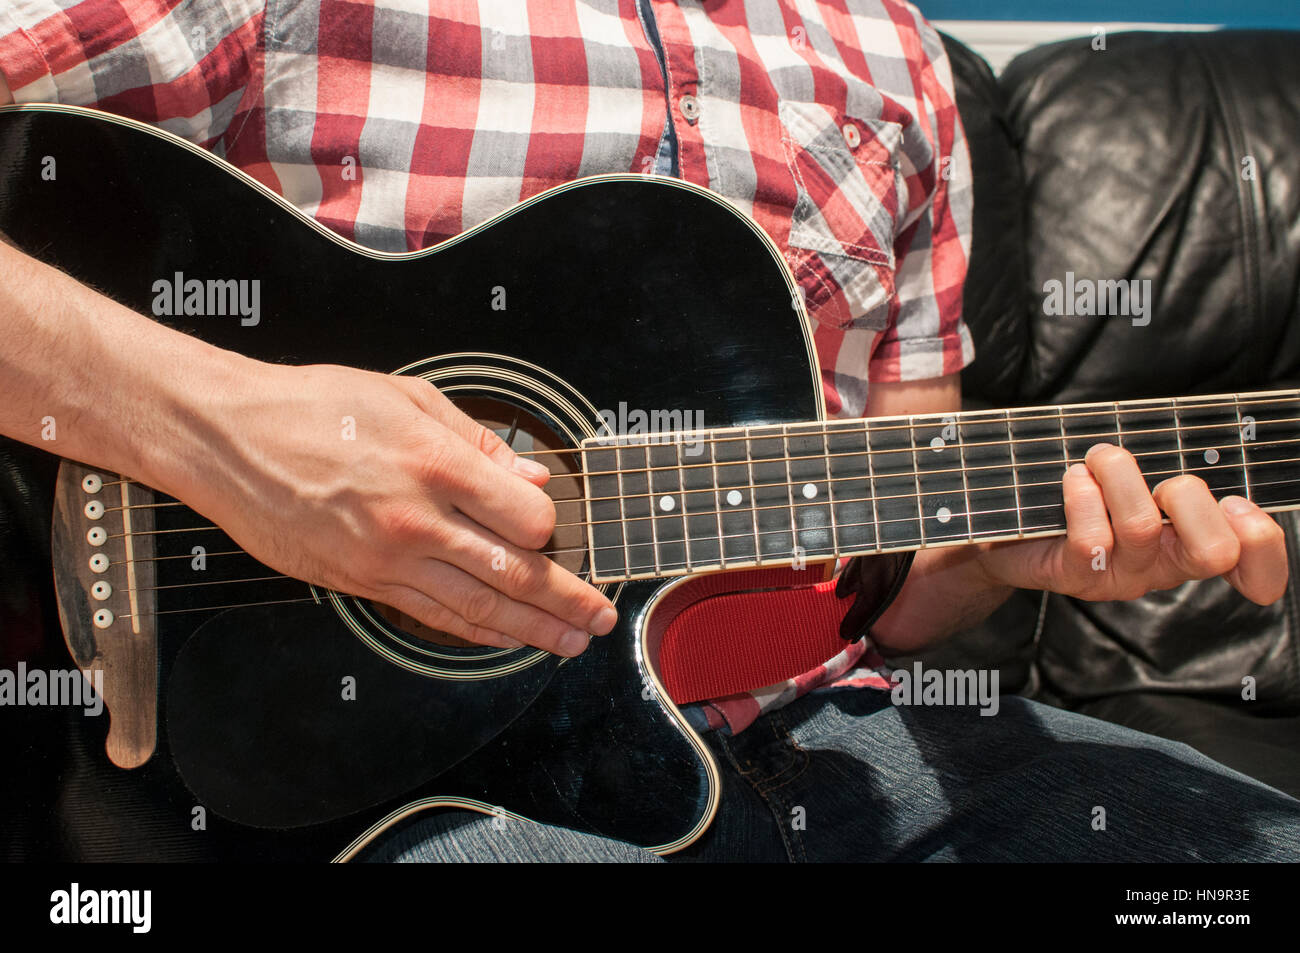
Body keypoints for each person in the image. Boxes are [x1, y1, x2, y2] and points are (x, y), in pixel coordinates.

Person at [2, 0, 1298, 862]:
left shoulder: (893, 57)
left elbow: (895, 590)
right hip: (399, 781)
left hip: (836, 740)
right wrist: (226, 435)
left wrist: (1016, 558)